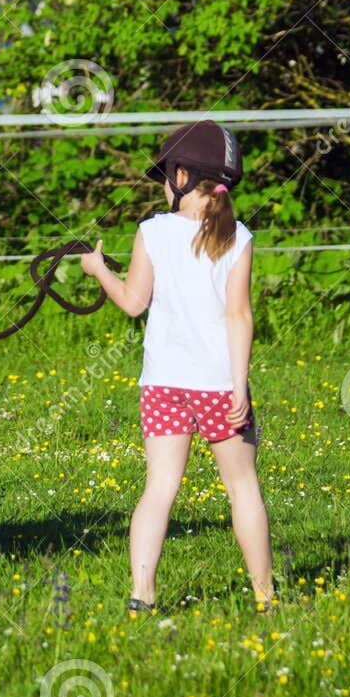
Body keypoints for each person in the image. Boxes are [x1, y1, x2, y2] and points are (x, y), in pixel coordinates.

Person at [80, 121, 274, 614]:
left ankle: (142, 595)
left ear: (184, 175)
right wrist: (239, 385)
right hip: (217, 385)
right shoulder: (240, 236)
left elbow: (131, 302)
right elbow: (239, 315)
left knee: (159, 488)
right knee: (243, 489)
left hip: (162, 385)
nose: (164, 184)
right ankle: (265, 597)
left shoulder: (151, 232)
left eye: (166, 175)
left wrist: (100, 270)